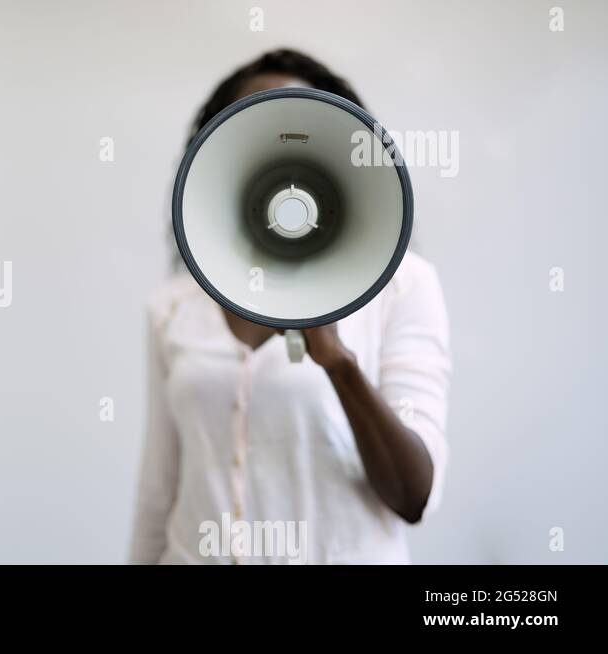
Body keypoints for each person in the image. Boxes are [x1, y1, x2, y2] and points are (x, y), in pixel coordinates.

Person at [129, 49, 451, 564]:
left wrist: (338, 362)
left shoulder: (403, 286)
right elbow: (158, 488)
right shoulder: (172, 307)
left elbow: (414, 496)